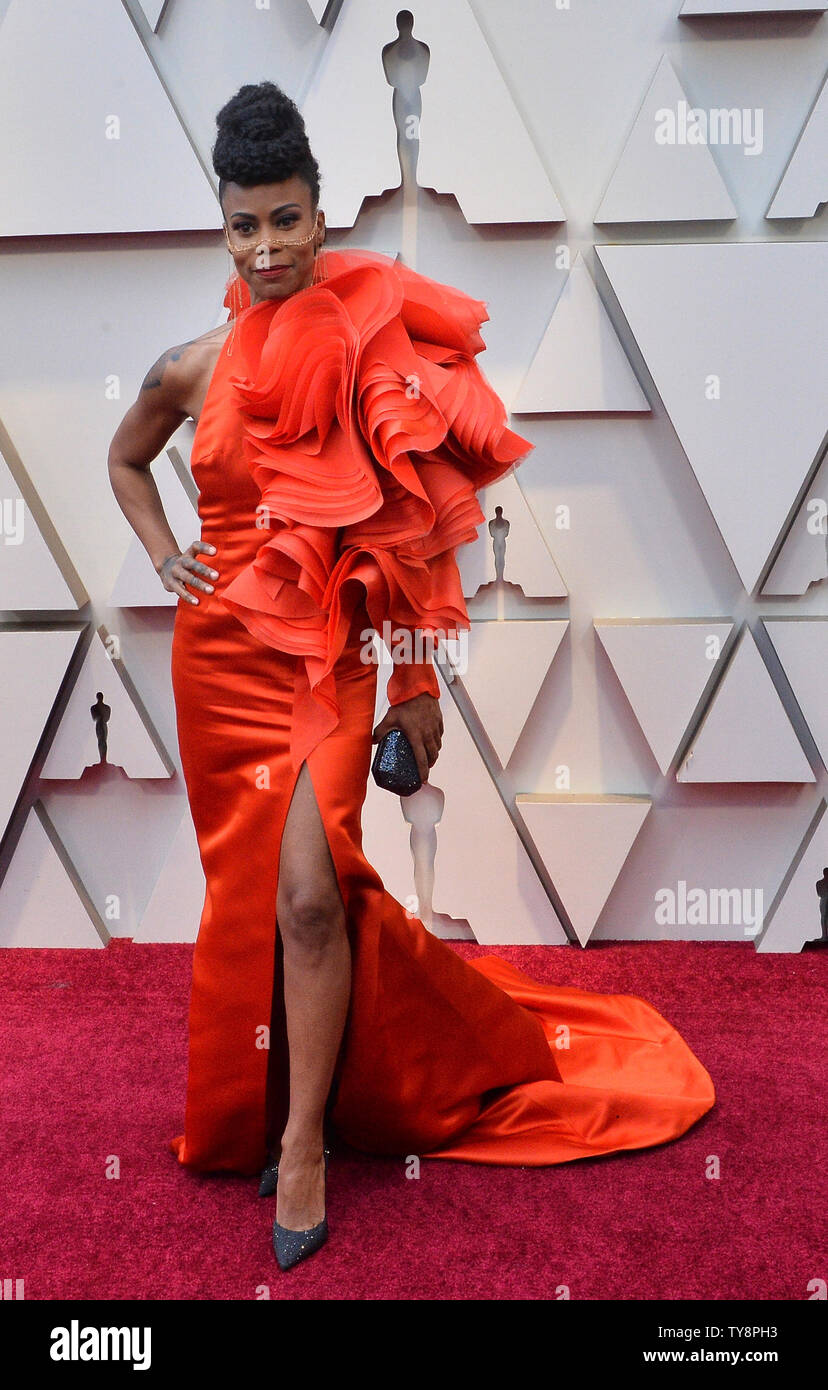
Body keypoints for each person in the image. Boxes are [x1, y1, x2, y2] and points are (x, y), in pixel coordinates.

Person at [107, 82, 715, 1273]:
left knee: (312, 897)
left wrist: (414, 693)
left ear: (321, 216)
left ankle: (301, 1147)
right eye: (245, 226)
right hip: (220, 661)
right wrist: (161, 551)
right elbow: (126, 462)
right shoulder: (187, 366)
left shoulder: (373, 353)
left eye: (287, 220)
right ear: (221, 227)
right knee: (256, 905)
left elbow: (414, 541)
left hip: (327, 663)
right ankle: (279, 1099)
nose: (269, 247)